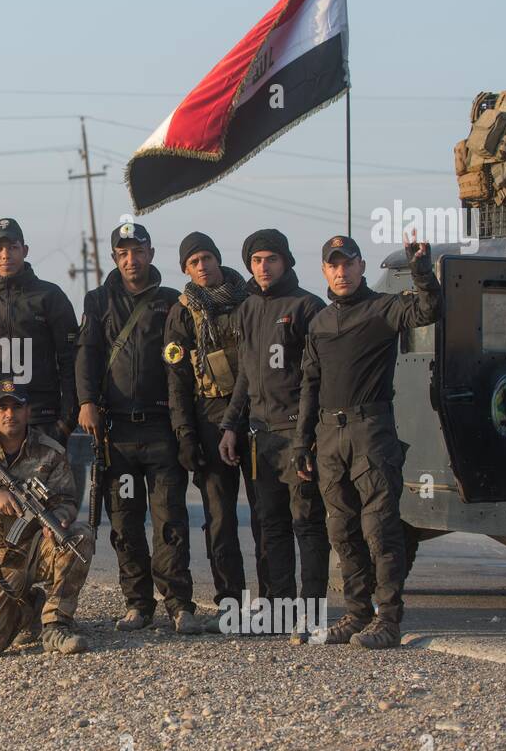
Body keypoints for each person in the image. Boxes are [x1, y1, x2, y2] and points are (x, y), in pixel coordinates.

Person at [295, 232, 441, 649]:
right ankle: (357, 615)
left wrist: (421, 270)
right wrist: (301, 444)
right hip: (328, 436)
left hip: (371, 432)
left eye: (349, 263)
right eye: (333, 265)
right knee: (341, 530)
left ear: (361, 267)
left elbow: (429, 309)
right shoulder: (319, 322)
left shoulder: (383, 309)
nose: (342, 272)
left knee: (380, 528)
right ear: (324, 270)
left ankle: (388, 619)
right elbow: (309, 383)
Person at [79, 222, 198, 634]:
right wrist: (86, 402)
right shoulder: (97, 302)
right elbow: (88, 355)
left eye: (139, 251)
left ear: (150, 253)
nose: (132, 259)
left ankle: (180, 605)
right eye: (124, 252)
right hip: (119, 435)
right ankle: (138, 603)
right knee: (126, 521)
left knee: (169, 521)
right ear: (115, 257)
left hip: (160, 431)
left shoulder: (170, 302)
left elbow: (181, 366)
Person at [216, 229, 329, 641]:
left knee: (308, 525)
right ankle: (278, 610)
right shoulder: (246, 310)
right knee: (271, 526)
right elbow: (246, 375)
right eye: (257, 260)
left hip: (299, 434)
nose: (264, 267)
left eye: (272, 259)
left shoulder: (307, 307)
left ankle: (312, 613)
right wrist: (230, 424)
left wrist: (308, 436)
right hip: (260, 436)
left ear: (286, 262)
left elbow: (318, 378)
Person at [0, 380, 95, 661]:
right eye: (3, 407)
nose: (9, 414)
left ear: (28, 412)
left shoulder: (50, 451)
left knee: (80, 536)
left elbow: (67, 500)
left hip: (35, 552)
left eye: (17, 407)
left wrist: (59, 518)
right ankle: (29, 608)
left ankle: (55, 624)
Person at [163, 232, 263, 632]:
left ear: (219, 259)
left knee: (266, 514)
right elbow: (177, 380)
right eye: (193, 262)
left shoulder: (249, 301)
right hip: (207, 416)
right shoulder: (183, 312)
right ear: (186, 269)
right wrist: (185, 434)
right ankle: (230, 601)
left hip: (255, 415)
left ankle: (275, 598)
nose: (201, 266)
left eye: (207, 258)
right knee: (219, 517)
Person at [0, 218, 78, 443]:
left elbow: (71, 361)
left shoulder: (50, 296)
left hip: (42, 420)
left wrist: (66, 422)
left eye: (13, 248)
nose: (5, 255)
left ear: (24, 250)